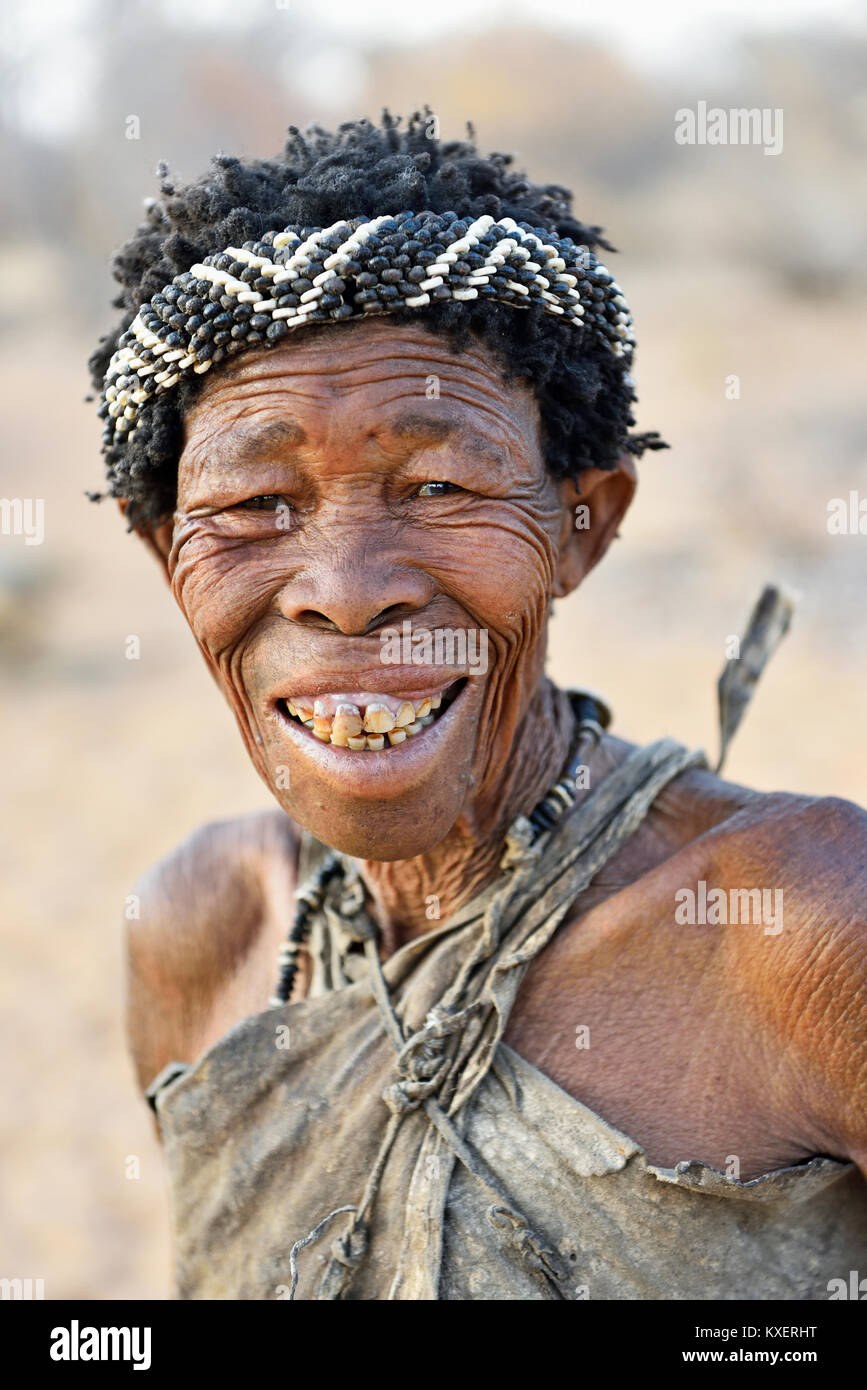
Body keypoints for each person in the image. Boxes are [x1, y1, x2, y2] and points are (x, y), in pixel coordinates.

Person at [89, 112, 867, 1300]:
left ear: (581, 527)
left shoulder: (804, 927)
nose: (347, 593)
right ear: (165, 558)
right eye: (253, 502)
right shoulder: (205, 933)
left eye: (440, 484)